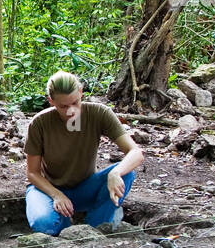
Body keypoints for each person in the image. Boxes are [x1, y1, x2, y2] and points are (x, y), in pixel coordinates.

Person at [24, 71, 144, 235]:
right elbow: (32, 173)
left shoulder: (99, 113)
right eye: (63, 106)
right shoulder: (39, 123)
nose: (71, 111)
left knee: (126, 173)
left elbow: (136, 152)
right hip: (48, 190)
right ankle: (65, 224)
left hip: (85, 187)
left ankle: (95, 227)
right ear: (51, 102)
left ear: (81, 92)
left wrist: (116, 172)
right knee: (43, 224)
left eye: (75, 102)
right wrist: (57, 195)